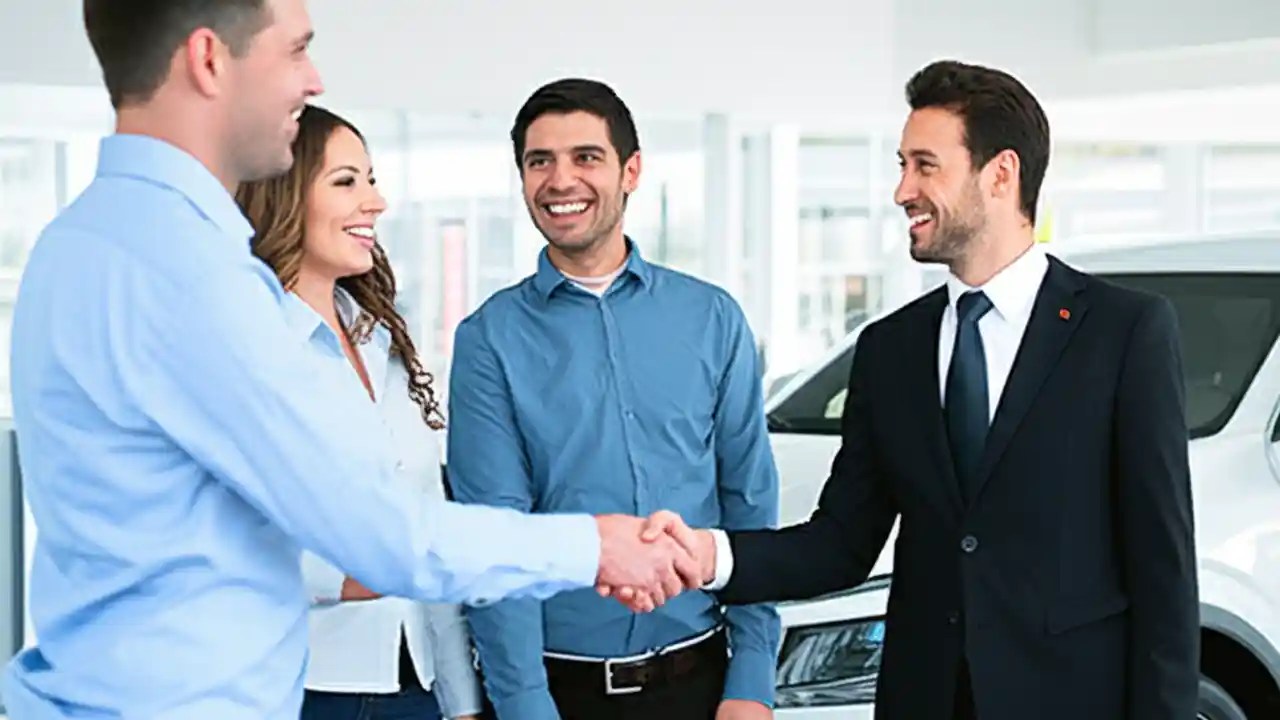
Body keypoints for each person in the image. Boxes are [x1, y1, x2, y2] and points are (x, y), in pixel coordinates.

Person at [4, 2, 700, 718]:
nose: (313, 80)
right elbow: (380, 538)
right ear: (209, 60)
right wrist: (597, 546)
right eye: (296, 51)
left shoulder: (80, 241)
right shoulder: (192, 275)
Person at [638, 60, 1200, 720]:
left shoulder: (1124, 332)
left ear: (1001, 174)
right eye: (902, 165)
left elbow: (1163, 571)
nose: (902, 190)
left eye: (924, 165)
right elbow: (842, 542)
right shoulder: (889, 349)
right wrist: (711, 554)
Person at [447, 78, 781, 720]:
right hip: (558, 693)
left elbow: (749, 505)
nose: (559, 179)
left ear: (631, 170)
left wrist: (751, 681)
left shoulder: (712, 318)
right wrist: (523, 707)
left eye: (585, 157)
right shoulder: (489, 339)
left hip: (702, 683)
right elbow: (494, 538)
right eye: (538, 161)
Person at [234, 104, 484, 720]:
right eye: (346, 182)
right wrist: (351, 577)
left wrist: (462, 701)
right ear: (283, 195)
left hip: (414, 687)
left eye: (370, 179)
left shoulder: (383, 343)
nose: (376, 202)